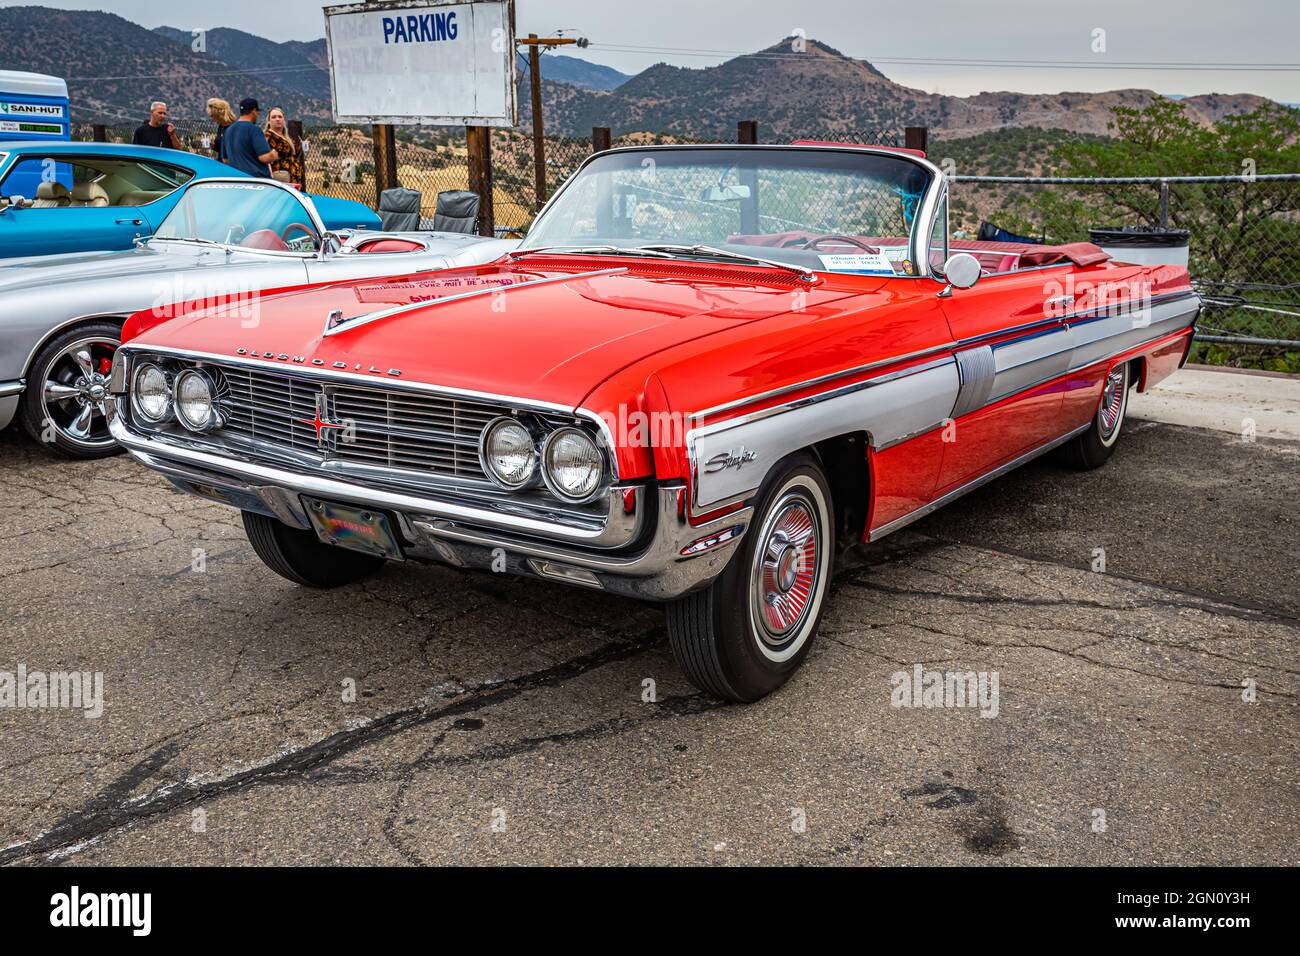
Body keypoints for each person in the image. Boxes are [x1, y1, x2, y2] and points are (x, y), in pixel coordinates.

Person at [220, 98, 278, 178]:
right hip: (256, 180)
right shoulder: (254, 130)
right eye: (257, 112)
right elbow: (264, 157)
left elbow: (225, 160)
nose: (257, 114)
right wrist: (274, 155)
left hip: (235, 179)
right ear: (254, 111)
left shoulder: (228, 130)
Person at [264, 107, 305, 186]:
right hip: (280, 179)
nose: (277, 119)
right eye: (274, 117)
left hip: (293, 177)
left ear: (283, 120)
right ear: (269, 121)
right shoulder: (267, 137)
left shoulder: (287, 137)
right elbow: (265, 157)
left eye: (280, 117)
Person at [206, 98, 236, 162]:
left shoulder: (234, 128)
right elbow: (220, 148)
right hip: (221, 164)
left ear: (219, 115)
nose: (212, 118)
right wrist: (212, 146)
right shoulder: (221, 127)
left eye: (212, 116)